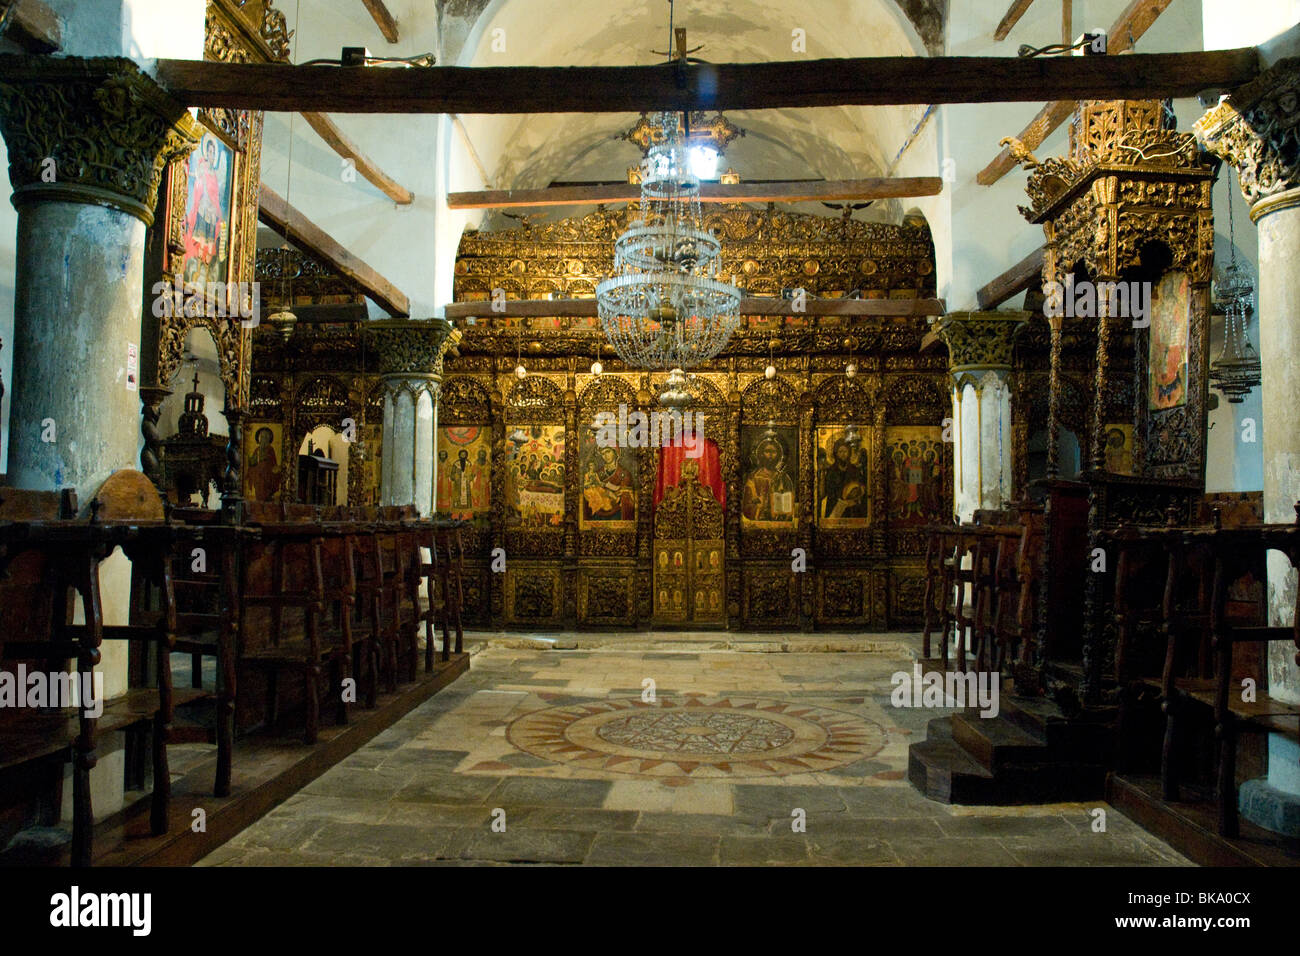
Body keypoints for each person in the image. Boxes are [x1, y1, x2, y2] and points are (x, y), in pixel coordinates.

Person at [741, 436, 795, 523]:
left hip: (780, 524)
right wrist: (759, 504)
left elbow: (789, 503)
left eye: (773, 452)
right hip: (759, 523)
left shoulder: (784, 478)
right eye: (767, 451)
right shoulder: (753, 477)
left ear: (778, 455)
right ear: (761, 454)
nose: (770, 455)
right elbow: (747, 506)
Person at [247, 426, 281, 501]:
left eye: (266, 437)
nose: (264, 439)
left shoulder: (270, 449)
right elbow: (252, 463)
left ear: (269, 439)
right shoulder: (257, 450)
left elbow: (273, 463)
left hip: (267, 475)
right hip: (258, 476)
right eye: (262, 437)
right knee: (259, 490)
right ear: (259, 439)